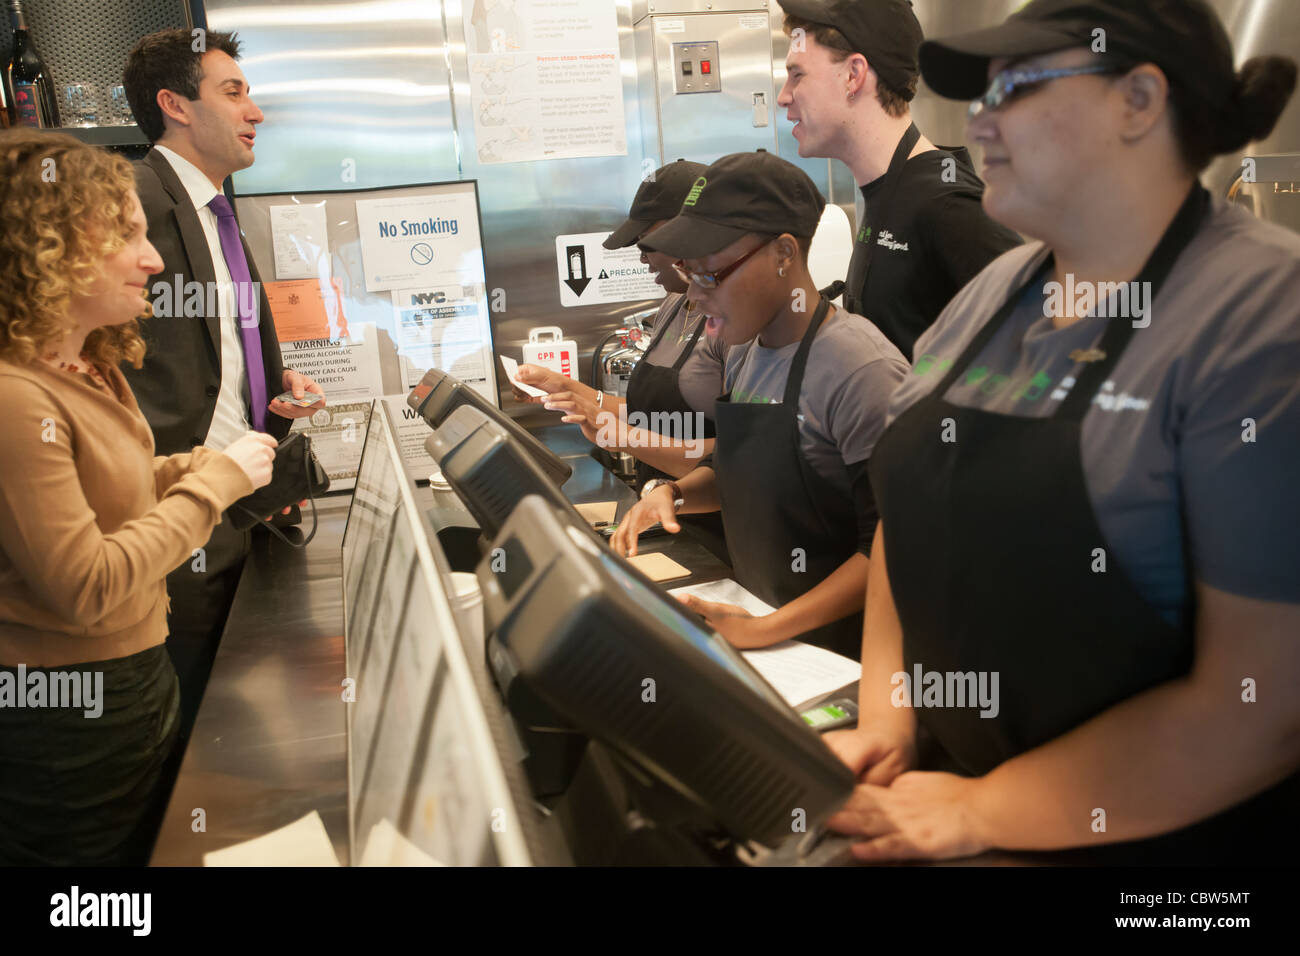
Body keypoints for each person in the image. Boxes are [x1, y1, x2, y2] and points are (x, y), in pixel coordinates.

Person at [824, 0, 1300, 864]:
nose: (980, 119)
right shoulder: (993, 293)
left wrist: (983, 811)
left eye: (1018, 86)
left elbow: (1261, 703)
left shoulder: (1262, 319)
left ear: (1139, 102)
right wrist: (890, 718)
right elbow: (912, 510)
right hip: (948, 805)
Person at [0, 131, 276, 865]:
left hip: (135, 676)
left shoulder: (89, 365)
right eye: (125, 233)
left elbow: (114, 487)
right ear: (44, 247)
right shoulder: (16, 400)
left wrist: (192, 466)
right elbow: (85, 585)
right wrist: (214, 487)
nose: (152, 259)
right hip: (69, 708)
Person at [612, 150, 908, 659]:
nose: (695, 293)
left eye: (712, 275)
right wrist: (676, 495)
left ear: (784, 253)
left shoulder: (861, 370)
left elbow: (890, 547)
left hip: (842, 659)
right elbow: (742, 472)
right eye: (689, 273)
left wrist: (770, 629)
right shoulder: (746, 352)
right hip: (761, 628)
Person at [121, 29, 327, 742]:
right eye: (233, 92)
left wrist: (269, 384)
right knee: (193, 727)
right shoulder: (134, 202)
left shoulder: (218, 209)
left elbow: (206, 349)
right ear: (174, 104)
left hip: (246, 507)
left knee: (241, 717)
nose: (255, 111)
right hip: (175, 519)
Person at [776, 0, 1022, 357]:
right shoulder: (883, 192)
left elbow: (1046, 348)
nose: (784, 96)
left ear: (853, 75)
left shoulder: (946, 205)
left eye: (797, 75)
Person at [513, 159, 730, 556]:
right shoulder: (672, 306)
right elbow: (654, 412)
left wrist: (619, 435)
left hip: (718, 529)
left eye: (646, 244)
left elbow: (732, 459)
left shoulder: (736, 326)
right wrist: (569, 391)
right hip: (666, 516)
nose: (642, 258)